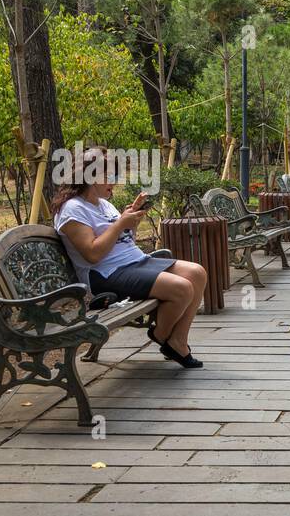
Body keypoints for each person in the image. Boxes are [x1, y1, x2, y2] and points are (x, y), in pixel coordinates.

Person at [52, 146, 207, 369]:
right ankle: (161, 335)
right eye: (109, 176)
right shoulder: (72, 209)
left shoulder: (103, 204)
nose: (114, 181)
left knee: (197, 273)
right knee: (182, 288)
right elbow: (93, 254)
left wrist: (131, 221)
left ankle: (177, 340)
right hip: (106, 274)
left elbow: (124, 239)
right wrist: (120, 223)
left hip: (134, 262)